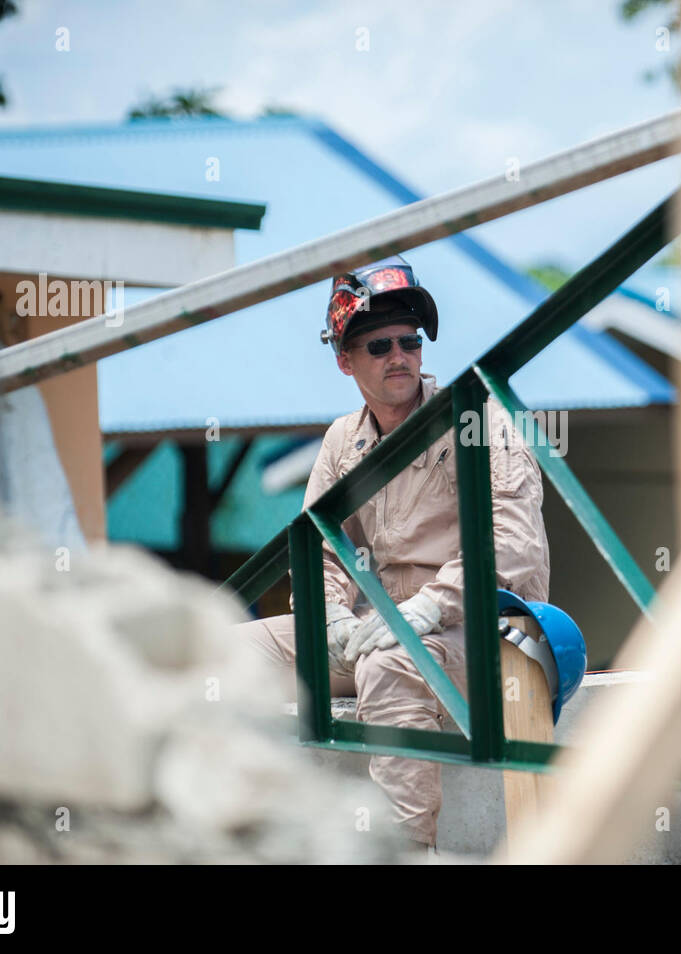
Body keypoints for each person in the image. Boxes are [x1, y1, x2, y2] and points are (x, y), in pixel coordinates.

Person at [235, 255, 550, 848]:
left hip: (495, 629)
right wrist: (328, 617)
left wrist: (429, 608)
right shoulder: (342, 442)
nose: (399, 355)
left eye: (410, 340)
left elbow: (513, 548)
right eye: (379, 346)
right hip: (386, 627)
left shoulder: (477, 420)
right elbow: (323, 550)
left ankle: (408, 854)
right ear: (345, 360)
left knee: (390, 664)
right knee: (222, 653)